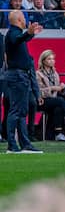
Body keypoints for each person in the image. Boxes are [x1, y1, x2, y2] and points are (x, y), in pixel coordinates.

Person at [2, 10, 41, 154]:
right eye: (23, 17)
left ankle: (25, 144)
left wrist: (31, 34)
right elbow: (17, 40)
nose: (25, 19)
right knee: (16, 111)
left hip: (20, 76)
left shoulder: (15, 33)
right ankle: (12, 145)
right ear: (19, 19)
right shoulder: (13, 33)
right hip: (18, 76)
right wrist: (28, 33)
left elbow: (20, 40)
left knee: (21, 111)